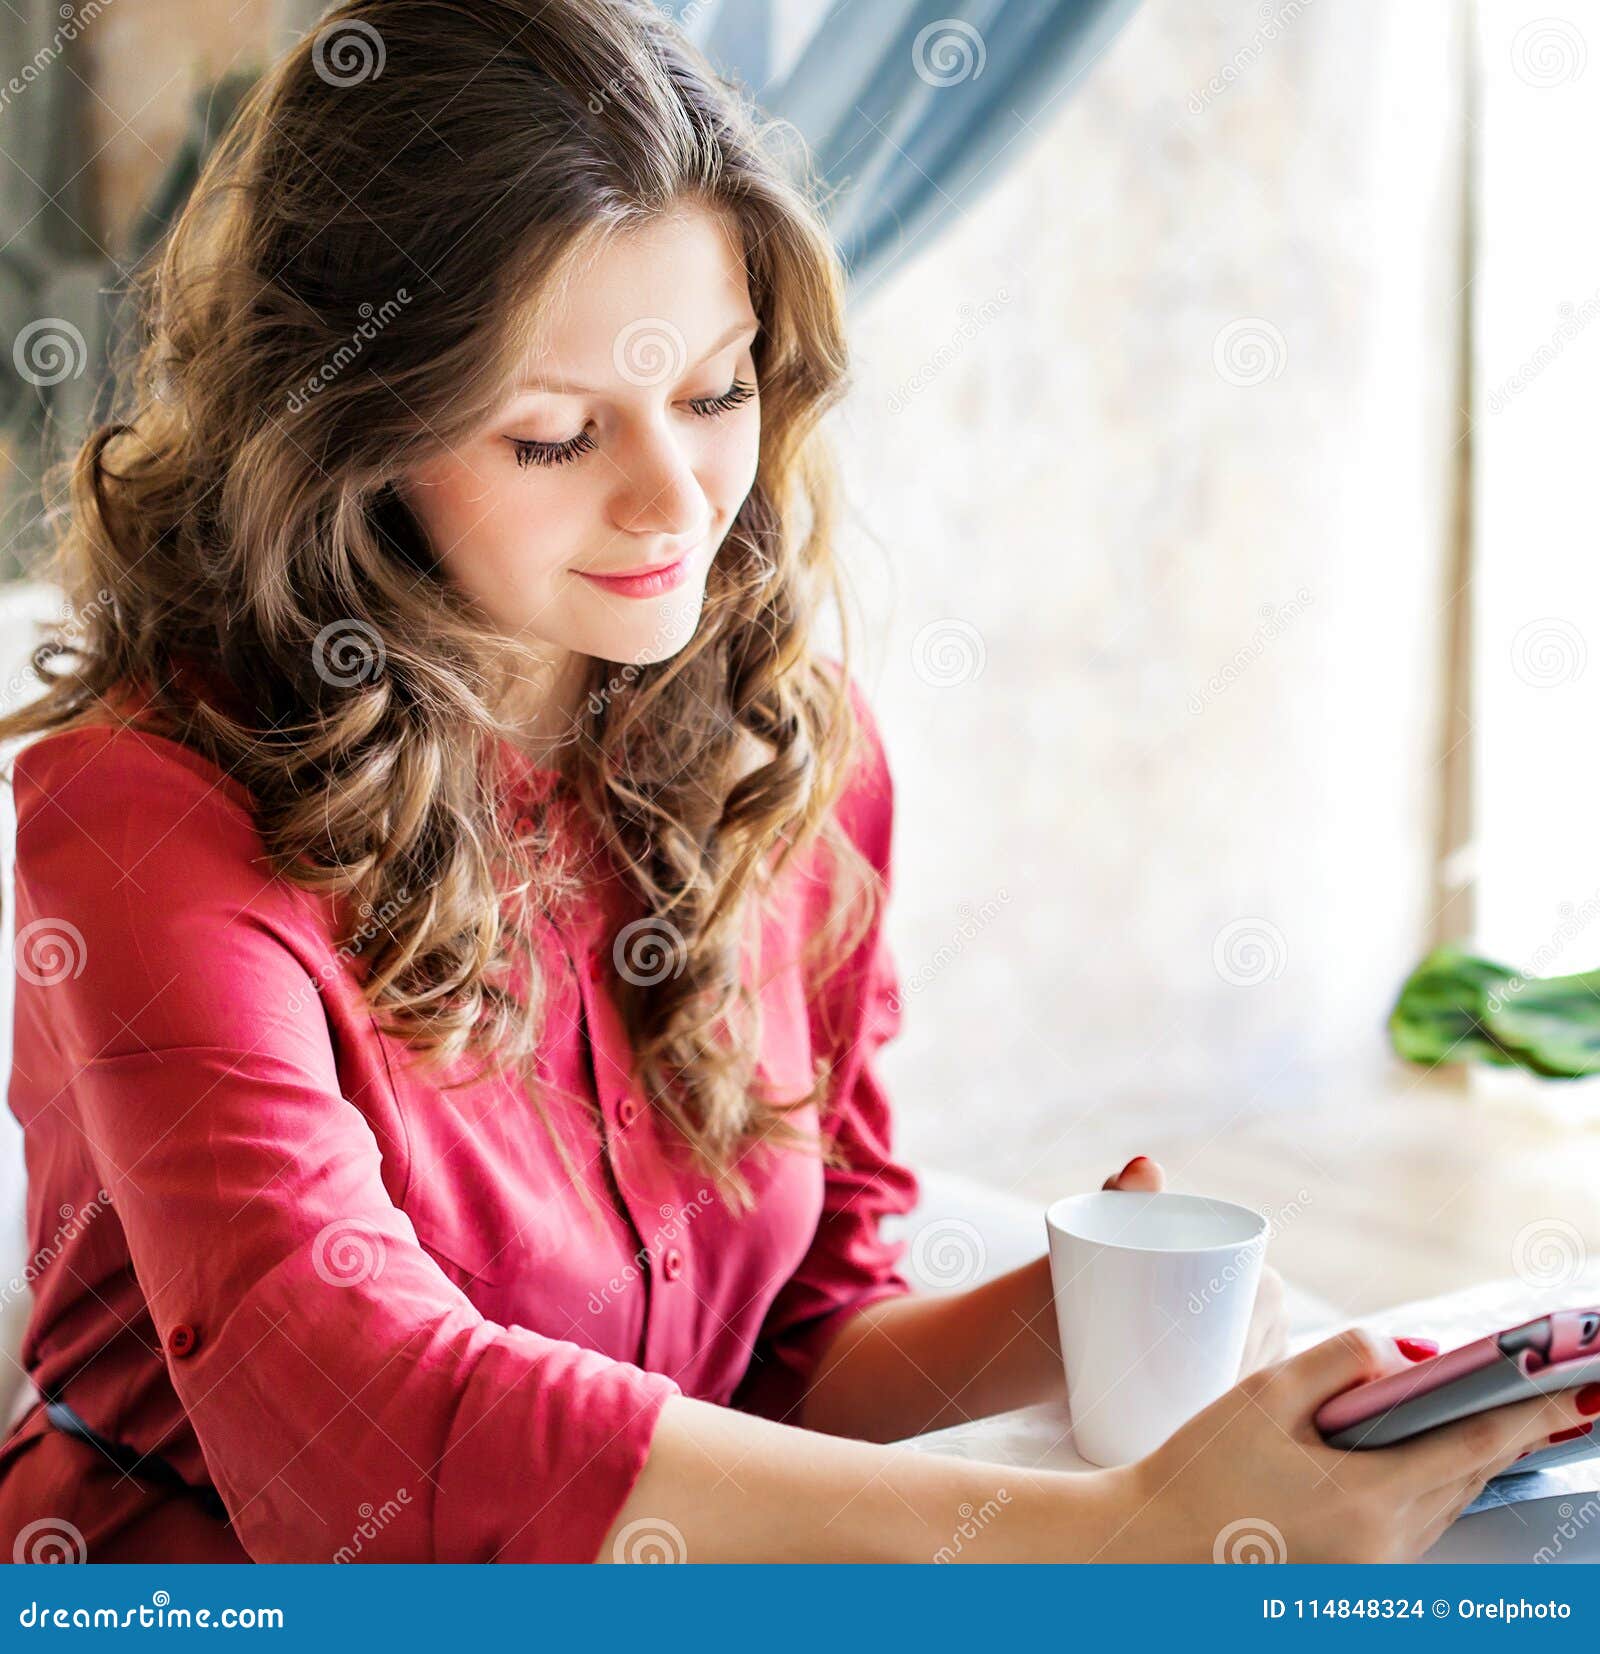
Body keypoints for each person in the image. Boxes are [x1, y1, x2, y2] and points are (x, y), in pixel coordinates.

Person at [0, 0, 1588, 1565]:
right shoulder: (142, 821)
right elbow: (367, 1417)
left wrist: (1062, 1318)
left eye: (715, 392)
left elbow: (782, 1358)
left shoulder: (781, 751)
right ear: (346, 433)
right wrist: (1117, 1542)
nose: (677, 497)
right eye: (555, 436)